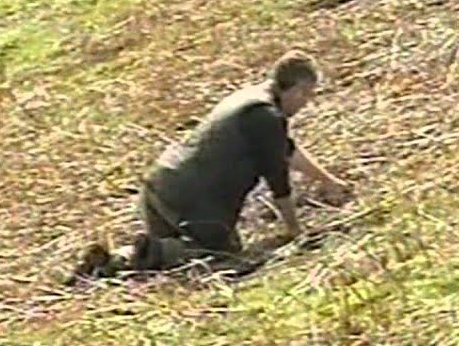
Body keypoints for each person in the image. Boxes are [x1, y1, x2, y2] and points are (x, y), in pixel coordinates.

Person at [71, 50, 351, 281]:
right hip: (190, 201)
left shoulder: (253, 100)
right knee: (222, 256)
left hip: (160, 186)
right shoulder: (265, 116)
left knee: (167, 263)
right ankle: (147, 251)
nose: (306, 103)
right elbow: (278, 178)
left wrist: (329, 181)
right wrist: (295, 231)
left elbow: (284, 150)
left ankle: (115, 260)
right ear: (299, 89)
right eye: (307, 95)